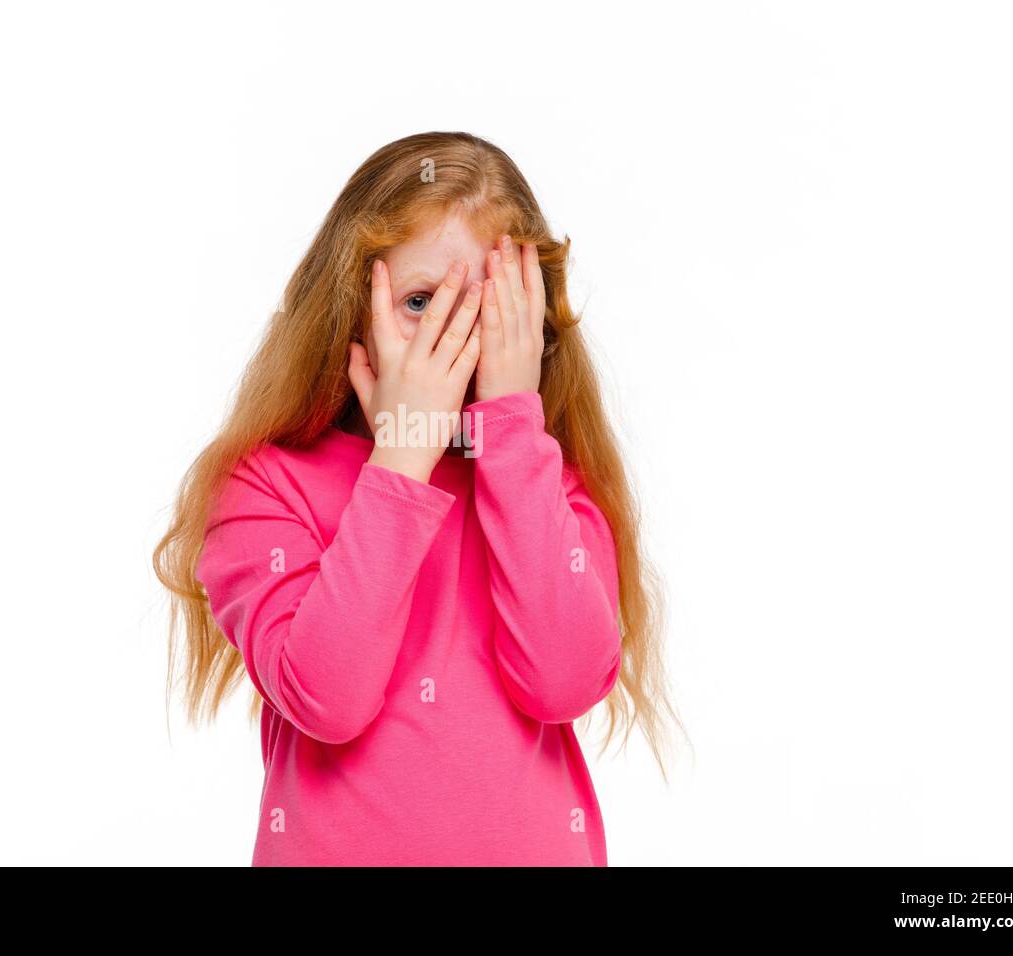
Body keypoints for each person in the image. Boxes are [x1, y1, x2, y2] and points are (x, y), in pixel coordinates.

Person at [153, 131, 683, 866]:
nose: (454, 338)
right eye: (421, 302)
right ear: (348, 309)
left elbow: (565, 682)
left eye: (488, 308)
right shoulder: (263, 486)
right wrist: (403, 455)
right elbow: (327, 700)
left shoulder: (548, 482)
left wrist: (508, 437)